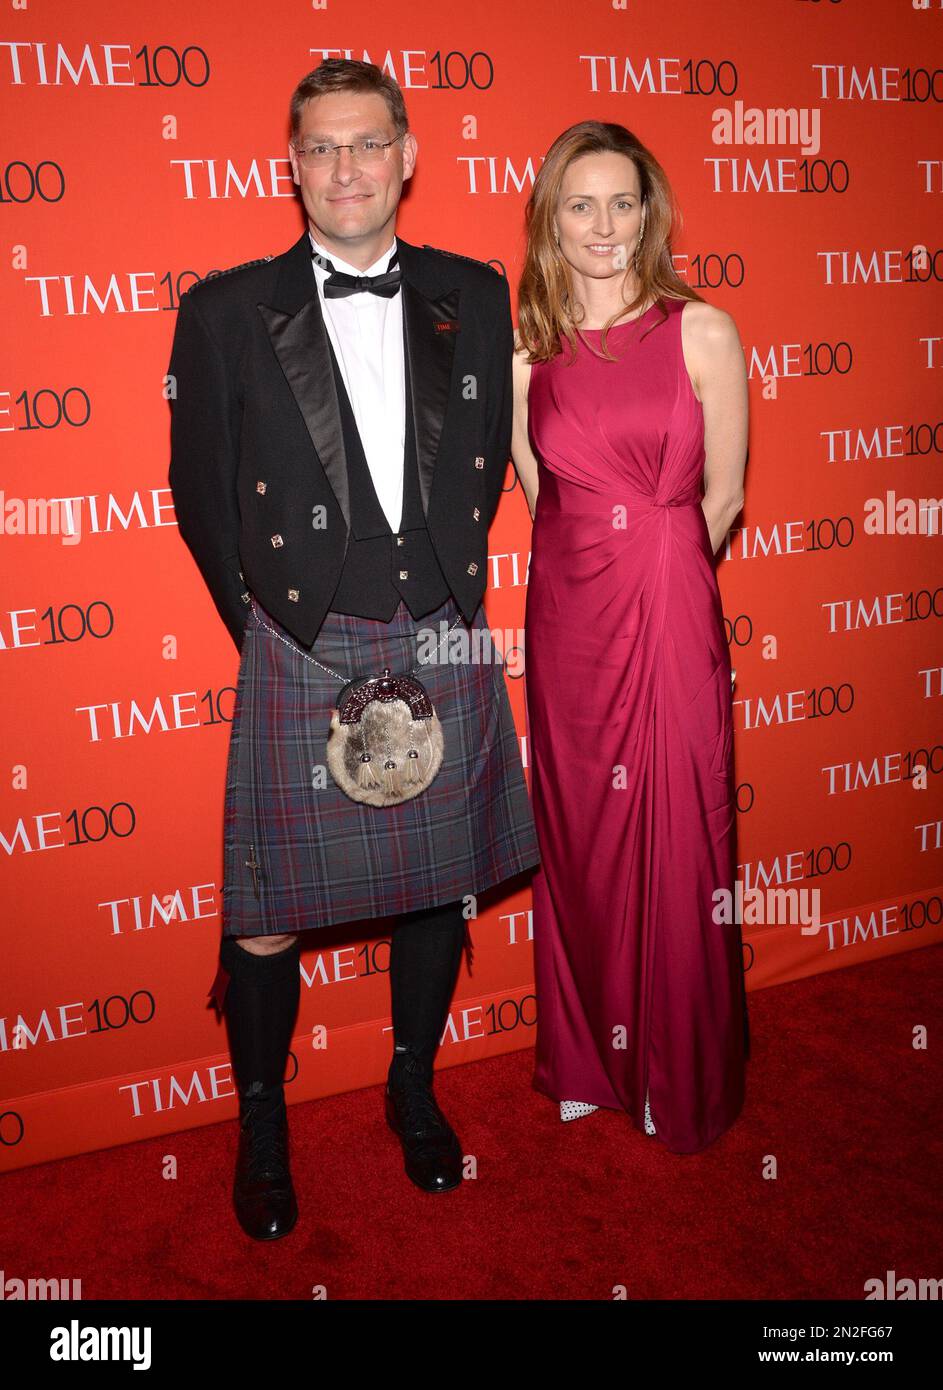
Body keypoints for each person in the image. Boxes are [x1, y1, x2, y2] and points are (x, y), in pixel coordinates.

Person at [167, 58, 540, 1240]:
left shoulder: (475, 294)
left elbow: (487, 460)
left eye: (367, 144)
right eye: (321, 148)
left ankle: (412, 1089)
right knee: (266, 909)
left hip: (442, 626)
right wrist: (273, 627)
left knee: (439, 883)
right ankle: (263, 1123)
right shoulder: (227, 310)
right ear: (291, 163)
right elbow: (200, 493)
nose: (346, 169)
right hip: (300, 636)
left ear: (408, 154)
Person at [511, 121, 750, 1153]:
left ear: (649, 213)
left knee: (677, 827)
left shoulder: (702, 331)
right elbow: (539, 496)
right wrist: (597, 581)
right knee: (579, 838)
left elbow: (725, 494)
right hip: (568, 620)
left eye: (622, 202)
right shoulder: (528, 349)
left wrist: (657, 580)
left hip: (666, 604)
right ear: (549, 218)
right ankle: (588, 1057)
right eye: (580, 203)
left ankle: (673, 1061)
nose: (603, 225)